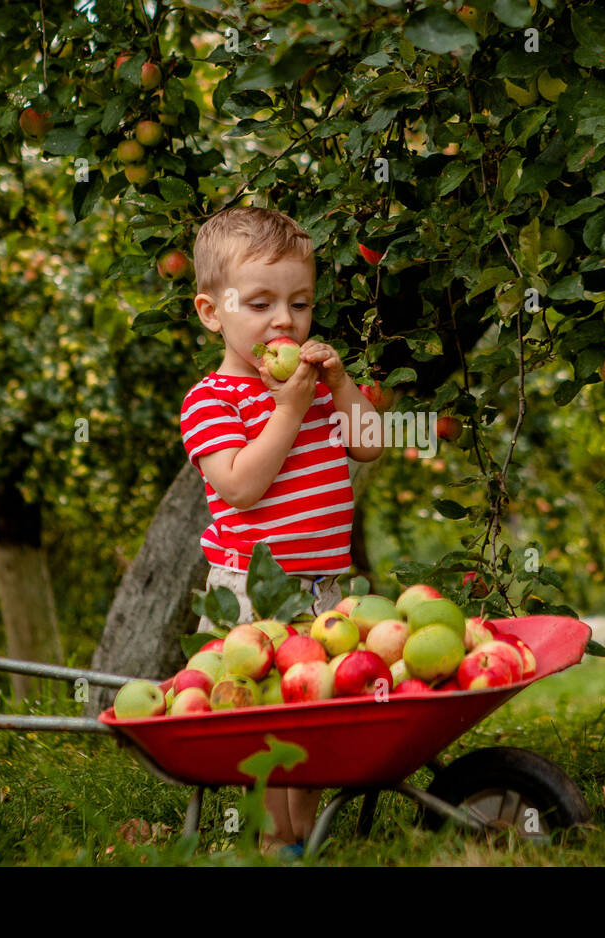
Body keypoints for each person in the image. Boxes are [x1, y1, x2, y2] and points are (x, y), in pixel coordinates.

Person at [178, 205, 383, 856]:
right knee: (265, 717)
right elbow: (240, 485)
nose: (284, 321)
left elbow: (371, 446)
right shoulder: (212, 400)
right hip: (252, 594)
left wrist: (342, 384)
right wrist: (289, 410)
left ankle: (304, 833)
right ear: (212, 312)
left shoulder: (316, 388)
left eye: (299, 303)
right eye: (261, 302)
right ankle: (274, 840)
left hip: (325, 591)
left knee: (316, 714)